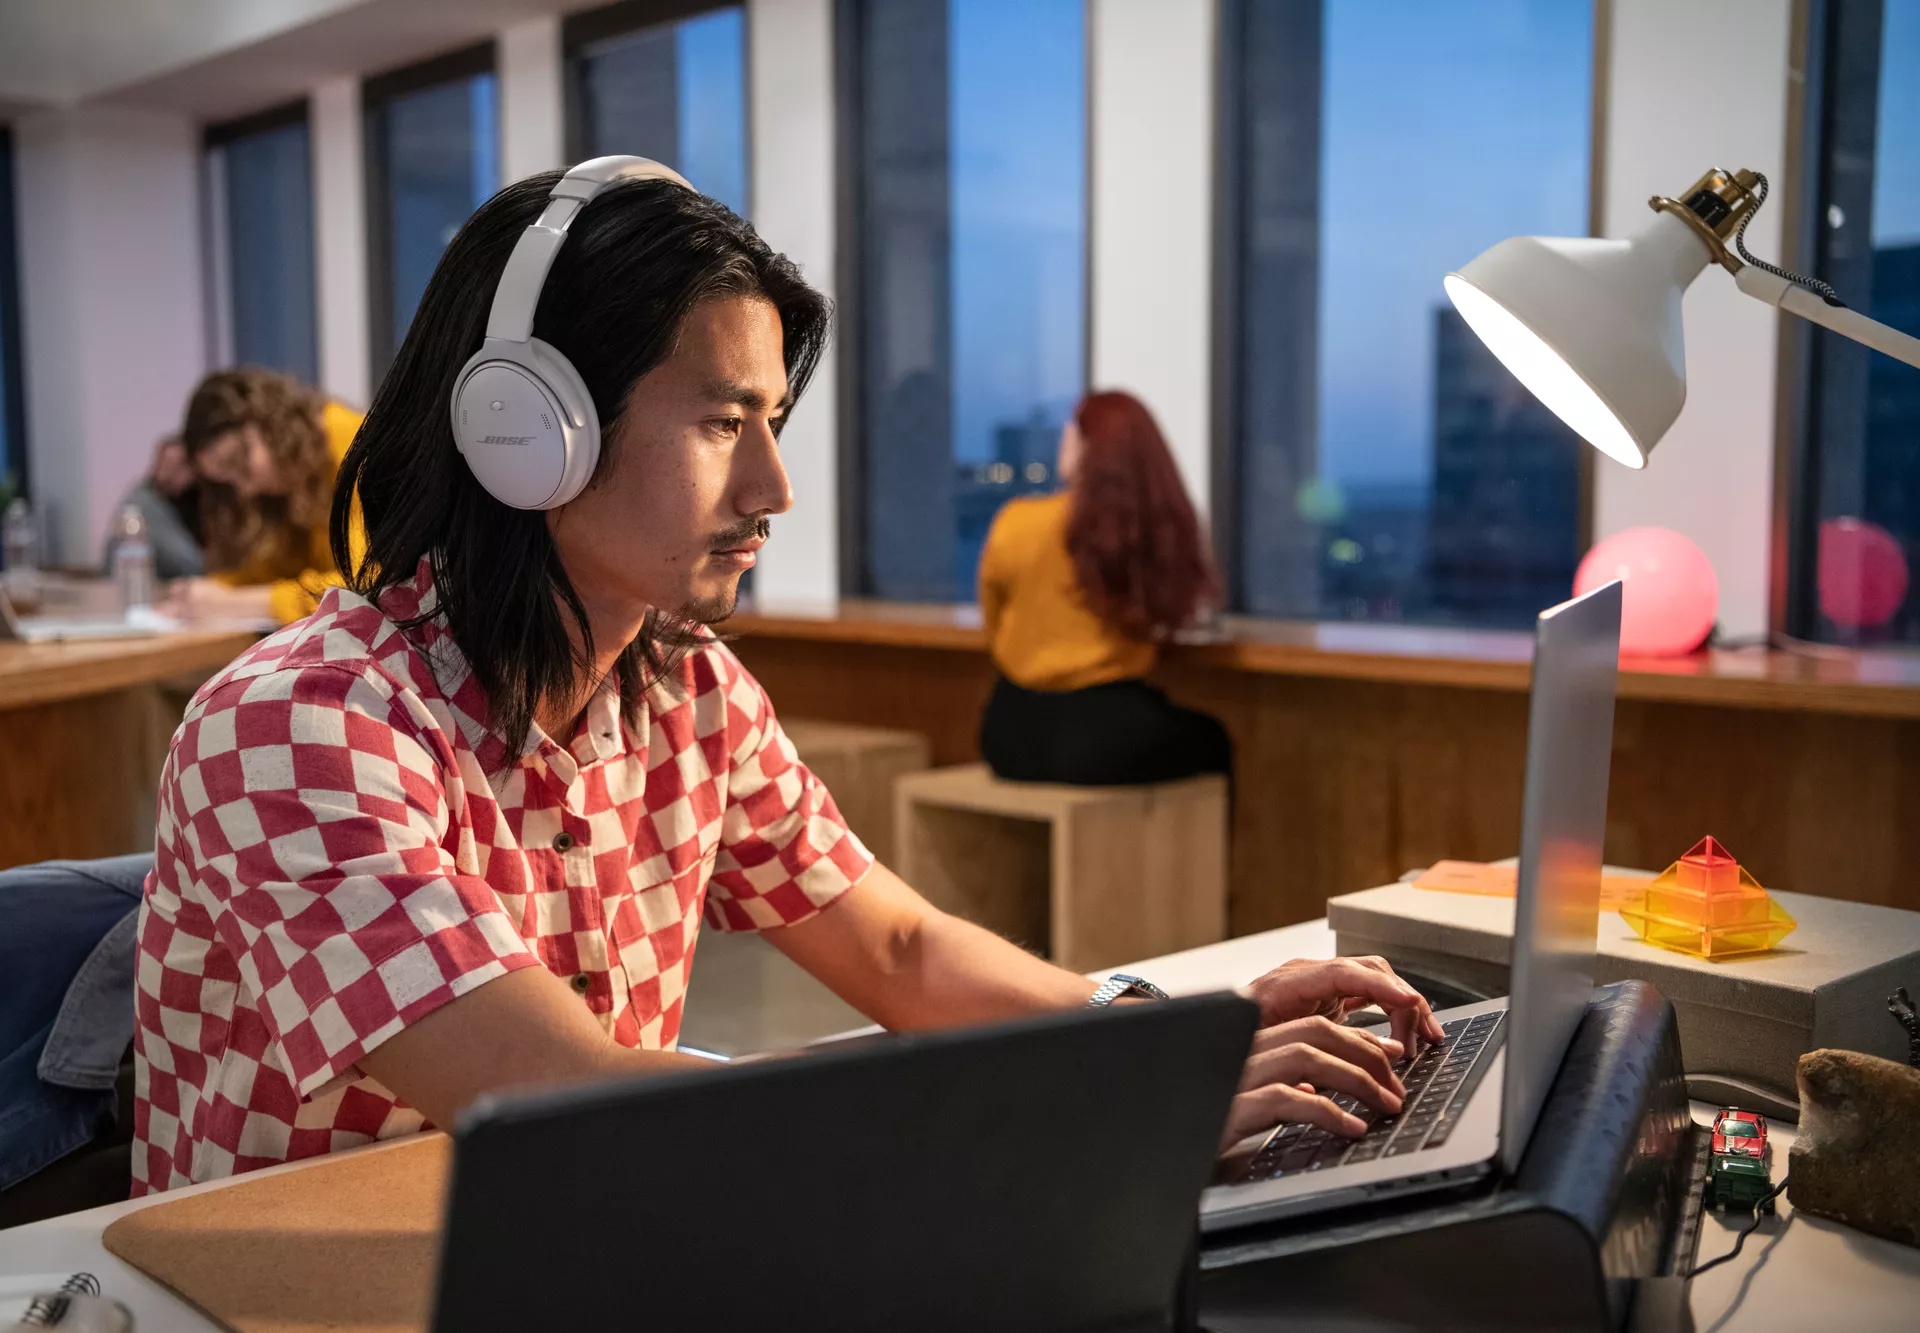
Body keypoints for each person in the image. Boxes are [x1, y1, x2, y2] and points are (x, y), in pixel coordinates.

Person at [131, 161, 1439, 1198]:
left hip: (574, 1246)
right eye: (718, 425)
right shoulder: (296, 729)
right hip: (288, 1290)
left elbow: (899, 944)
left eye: (774, 424)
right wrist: (1127, 1109)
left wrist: (1172, 1035)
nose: (774, 490)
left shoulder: (684, 687)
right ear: (526, 428)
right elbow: (557, 1100)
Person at [977, 391, 1232, 785]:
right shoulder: (1148, 533)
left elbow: (993, 626)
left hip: (1009, 733)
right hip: (1105, 736)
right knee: (1214, 740)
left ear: (1084, 450)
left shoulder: (1016, 523)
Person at [161, 368, 365, 625]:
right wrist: (213, 589)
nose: (248, 489)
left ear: (270, 420)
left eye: (241, 461)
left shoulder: (344, 438)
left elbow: (366, 589)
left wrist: (234, 604)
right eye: (230, 483)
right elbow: (280, 568)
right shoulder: (296, 485)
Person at [101, 437, 204, 581]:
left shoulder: (179, 501)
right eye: (168, 466)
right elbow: (191, 563)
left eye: (180, 467)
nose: (170, 475)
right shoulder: (143, 504)